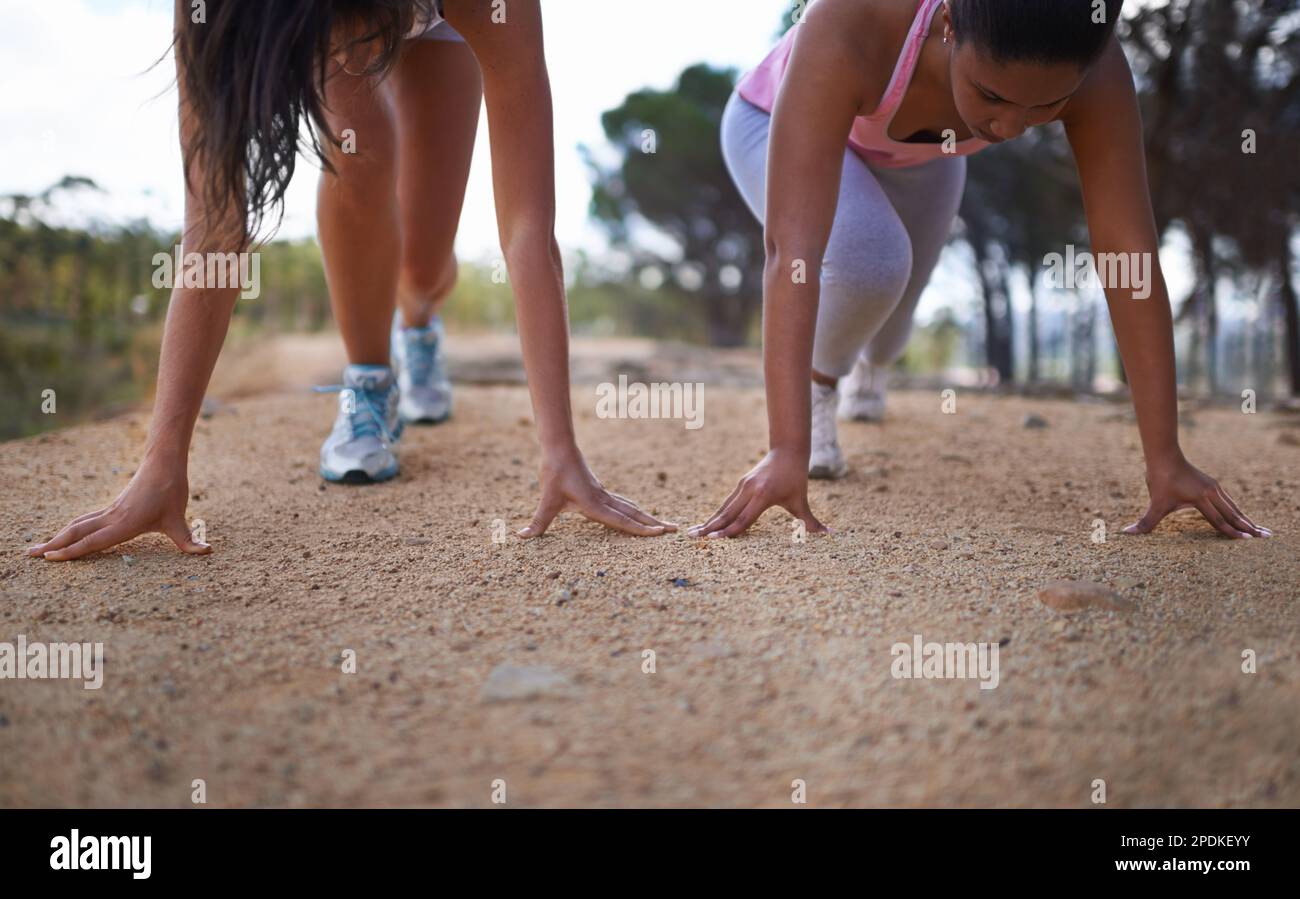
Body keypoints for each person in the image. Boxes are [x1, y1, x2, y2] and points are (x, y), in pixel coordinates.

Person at [29, 0, 675, 562]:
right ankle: (370, 381)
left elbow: (528, 227)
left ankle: (418, 320)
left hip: (440, 19)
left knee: (423, 265)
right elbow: (213, 230)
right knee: (359, 141)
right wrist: (161, 460)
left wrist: (561, 449)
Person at [692, 0, 1270, 540]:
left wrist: (1166, 458)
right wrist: (786, 449)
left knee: (889, 327)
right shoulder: (851, 18)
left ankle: (872, 368)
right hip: (769, 121)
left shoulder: (1091, 59)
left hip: (926, 156)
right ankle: (826, 387)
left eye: (1045, 107)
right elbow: (793, 253)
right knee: (871, 267)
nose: (1011, 128)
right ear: (947, 20)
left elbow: (1129, 258)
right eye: (991, 94)